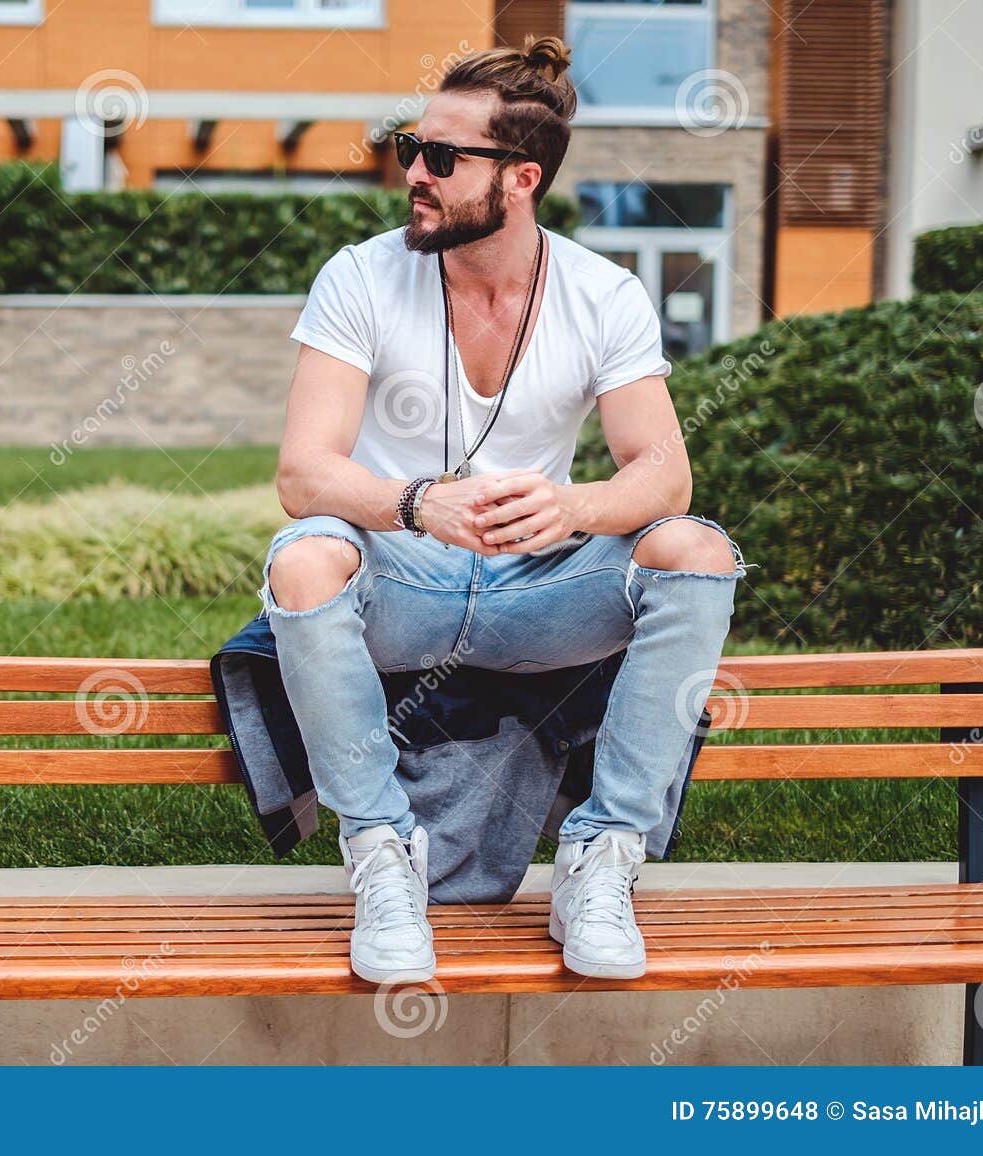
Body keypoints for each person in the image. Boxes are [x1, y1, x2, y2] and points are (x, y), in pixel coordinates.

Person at [260, 35, 748, 984]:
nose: (415, 172)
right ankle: (382, 859)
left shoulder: (603, 294)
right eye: (410, 146)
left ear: (520, 177)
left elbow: (664, 471)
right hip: (402, 582)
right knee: (304, 556)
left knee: (695, 550)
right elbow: (303, 474)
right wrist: (414, 503)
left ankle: (603, 857)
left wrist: (576, 505)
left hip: (541, 591)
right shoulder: (361, 277)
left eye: (442, 158)